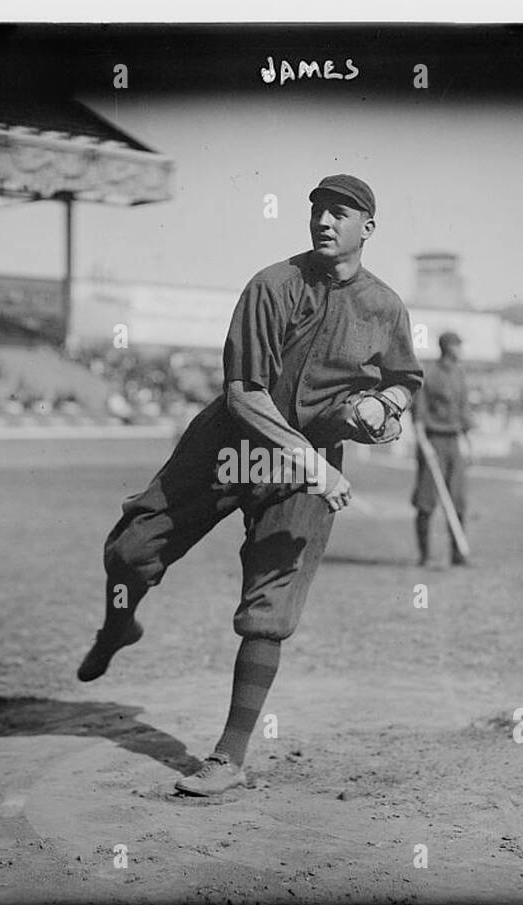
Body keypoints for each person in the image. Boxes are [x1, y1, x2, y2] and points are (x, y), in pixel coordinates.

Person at [76, 174, 423, 797]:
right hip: (230, 444)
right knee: (129, 550)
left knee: (271, 603)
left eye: (339, 213)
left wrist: (383, 405)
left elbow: (404, 378)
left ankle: (228, 757)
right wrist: (312, 461)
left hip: (305, 465)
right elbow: (245, 393)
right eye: (316, 209)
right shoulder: (273, 285)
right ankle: (116, 628)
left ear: (366, 228)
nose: (323, 221)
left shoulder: (386, 306)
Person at [412, 331, 473, 567]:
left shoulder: (459, 373)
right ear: (448, 347)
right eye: (458, 345)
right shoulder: (430, 373)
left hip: (454, 442)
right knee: (426, 500)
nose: (460, 350)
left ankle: (457, 554)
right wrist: (422, 441)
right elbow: (419, 410)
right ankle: (424, 555)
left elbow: (464, 410)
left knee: (458, 499)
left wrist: (467, 443)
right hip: (433, 440)